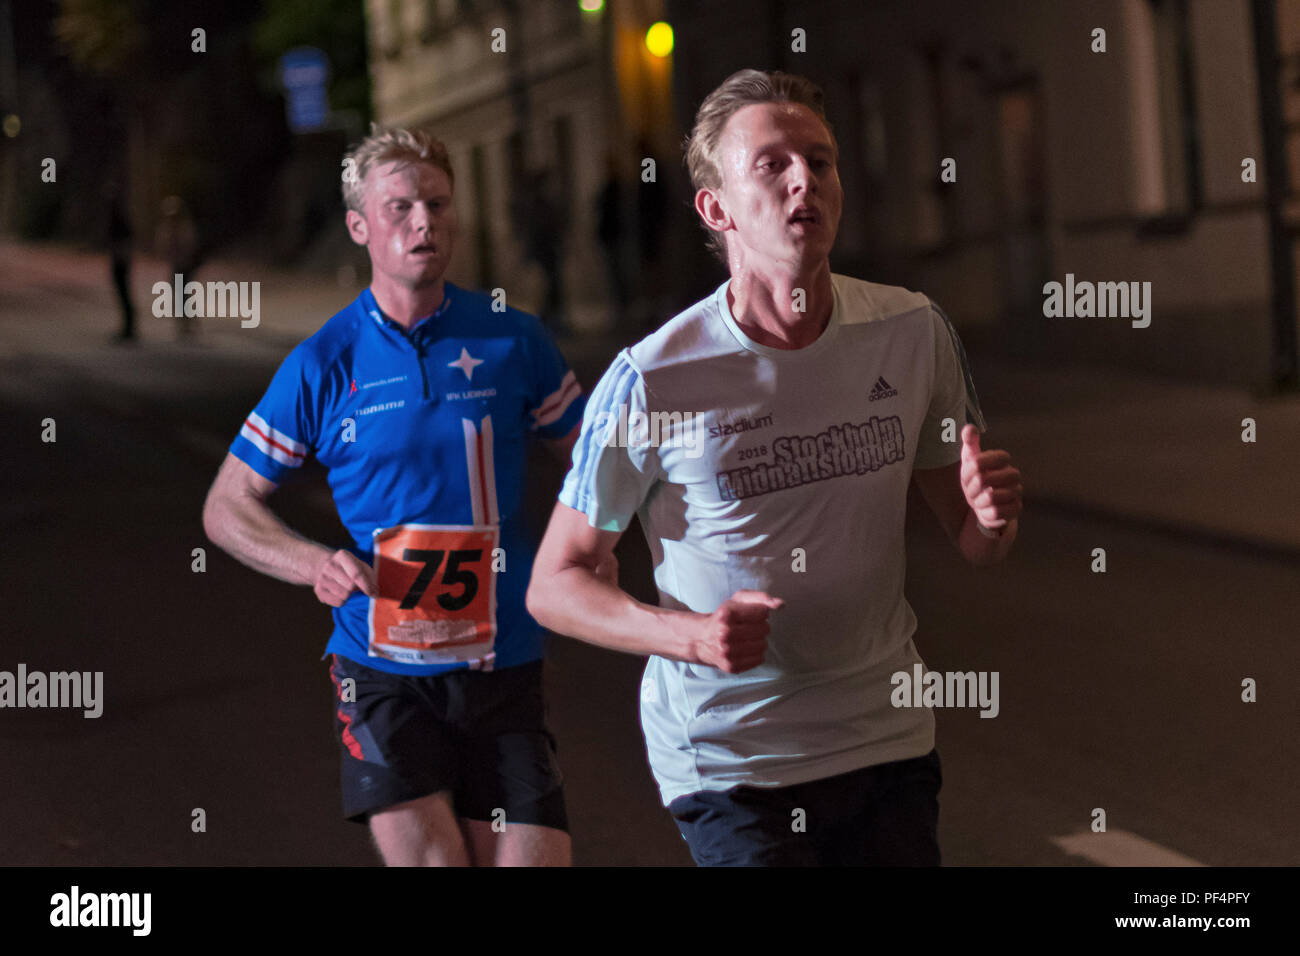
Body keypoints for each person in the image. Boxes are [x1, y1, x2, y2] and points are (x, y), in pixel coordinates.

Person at [527, 69, 1024, 866]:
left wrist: (992, 521)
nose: (805, 181)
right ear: (716, 208)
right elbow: (556, 583)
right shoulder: (655, 377)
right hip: (732, 763)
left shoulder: (912, 330)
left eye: (820, 162)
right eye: (772, 165)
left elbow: (973, 541)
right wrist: (688, 635)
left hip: (886, 735)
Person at [202, 125, 586, 866]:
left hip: (504, 664)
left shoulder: (514, 339)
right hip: (382, 670)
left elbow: (597, 468)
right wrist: (313, 562)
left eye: (438, 205)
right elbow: (226, 507)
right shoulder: (325, 362)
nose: (424, 224)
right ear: (359, 227)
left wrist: (590, 551)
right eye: (400, 208)